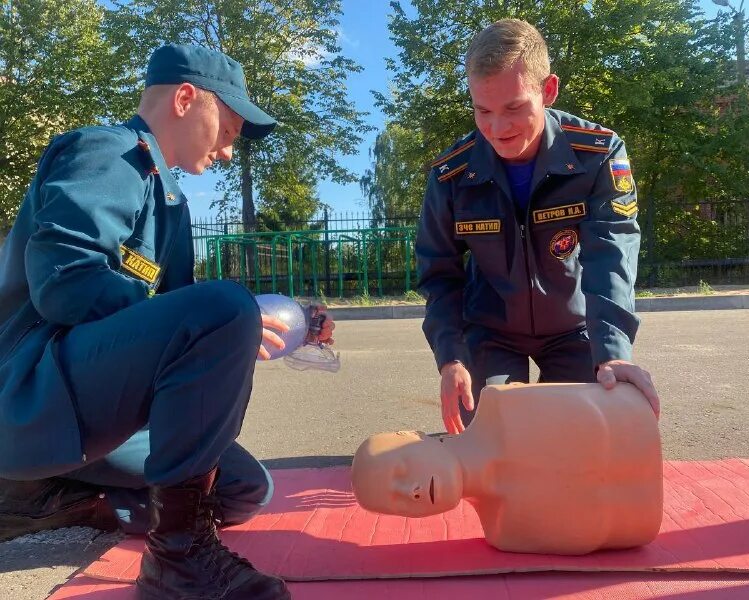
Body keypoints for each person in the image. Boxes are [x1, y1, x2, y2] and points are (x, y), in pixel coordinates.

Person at [0, 44, 333, 600]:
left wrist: (292, 320)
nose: (229, 151)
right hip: (29, 389)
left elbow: (178, 334)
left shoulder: (168, 201)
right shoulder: (106, 154)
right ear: (186, 98)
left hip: (83, 403)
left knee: (245, 489)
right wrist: (223, 318)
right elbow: (65, 283)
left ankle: (39, 496)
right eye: (229, 128)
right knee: (224, 307)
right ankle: (177, 562)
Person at [415, 19, 659, 435]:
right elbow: (439, 274)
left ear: (547, 91)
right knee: (497, 437)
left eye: (514, 108)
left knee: (591, 431)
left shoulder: (597, 155)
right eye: (482, 111)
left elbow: (611, 253)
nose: (496, 129)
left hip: (574, 328)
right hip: (490, 331)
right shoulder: (451, 174)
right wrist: (451, 358)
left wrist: (613, 350)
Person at [352, 382, 663, 555]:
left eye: (400, 472)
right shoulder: (506, 534)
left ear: (411, 436)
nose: (413, 491)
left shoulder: (503, 403)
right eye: (399, 503)